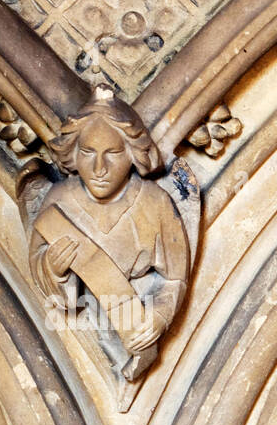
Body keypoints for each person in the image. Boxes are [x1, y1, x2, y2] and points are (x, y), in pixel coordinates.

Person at [28, 85, 189, 387]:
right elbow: (37, 259)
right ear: (73, 154)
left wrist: (160, 316)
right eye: (88, 153)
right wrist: (54, 269)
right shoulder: (60, 199)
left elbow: (175, 278)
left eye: (113, 154)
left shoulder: (155, 203)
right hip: (76, 340)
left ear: (133, 154)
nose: (99, 168)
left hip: (135, 324)